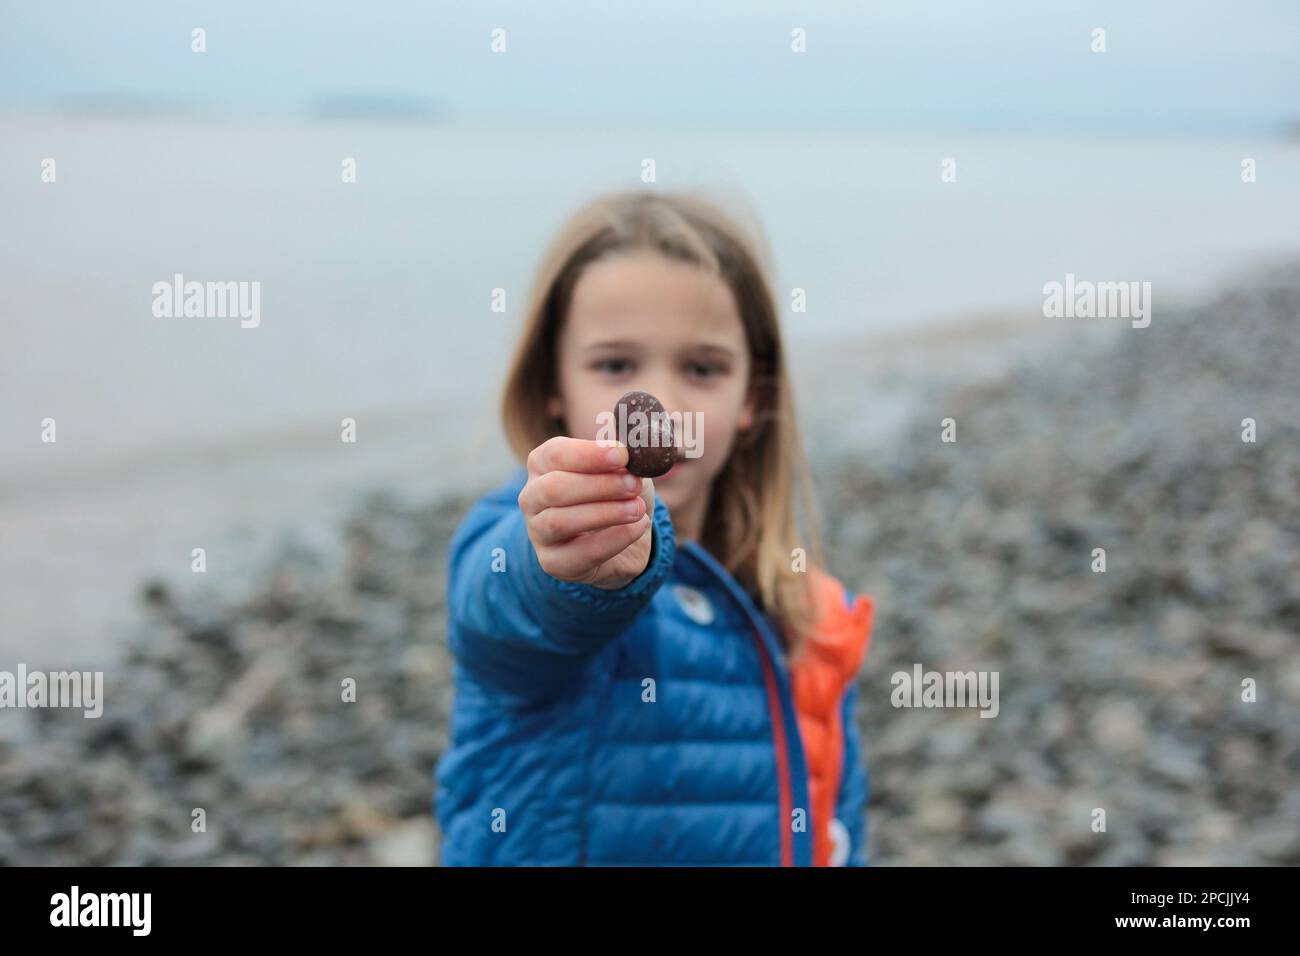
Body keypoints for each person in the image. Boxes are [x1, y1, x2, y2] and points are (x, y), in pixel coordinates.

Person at [435, 190, 875, 865]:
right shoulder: (522, 542)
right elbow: (506, 614)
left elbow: (833, 824)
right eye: (615, 365)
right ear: (553, 383)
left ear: (751, 398)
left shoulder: (809, 618)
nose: (662, 408)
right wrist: (572, 564)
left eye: (703, 368)